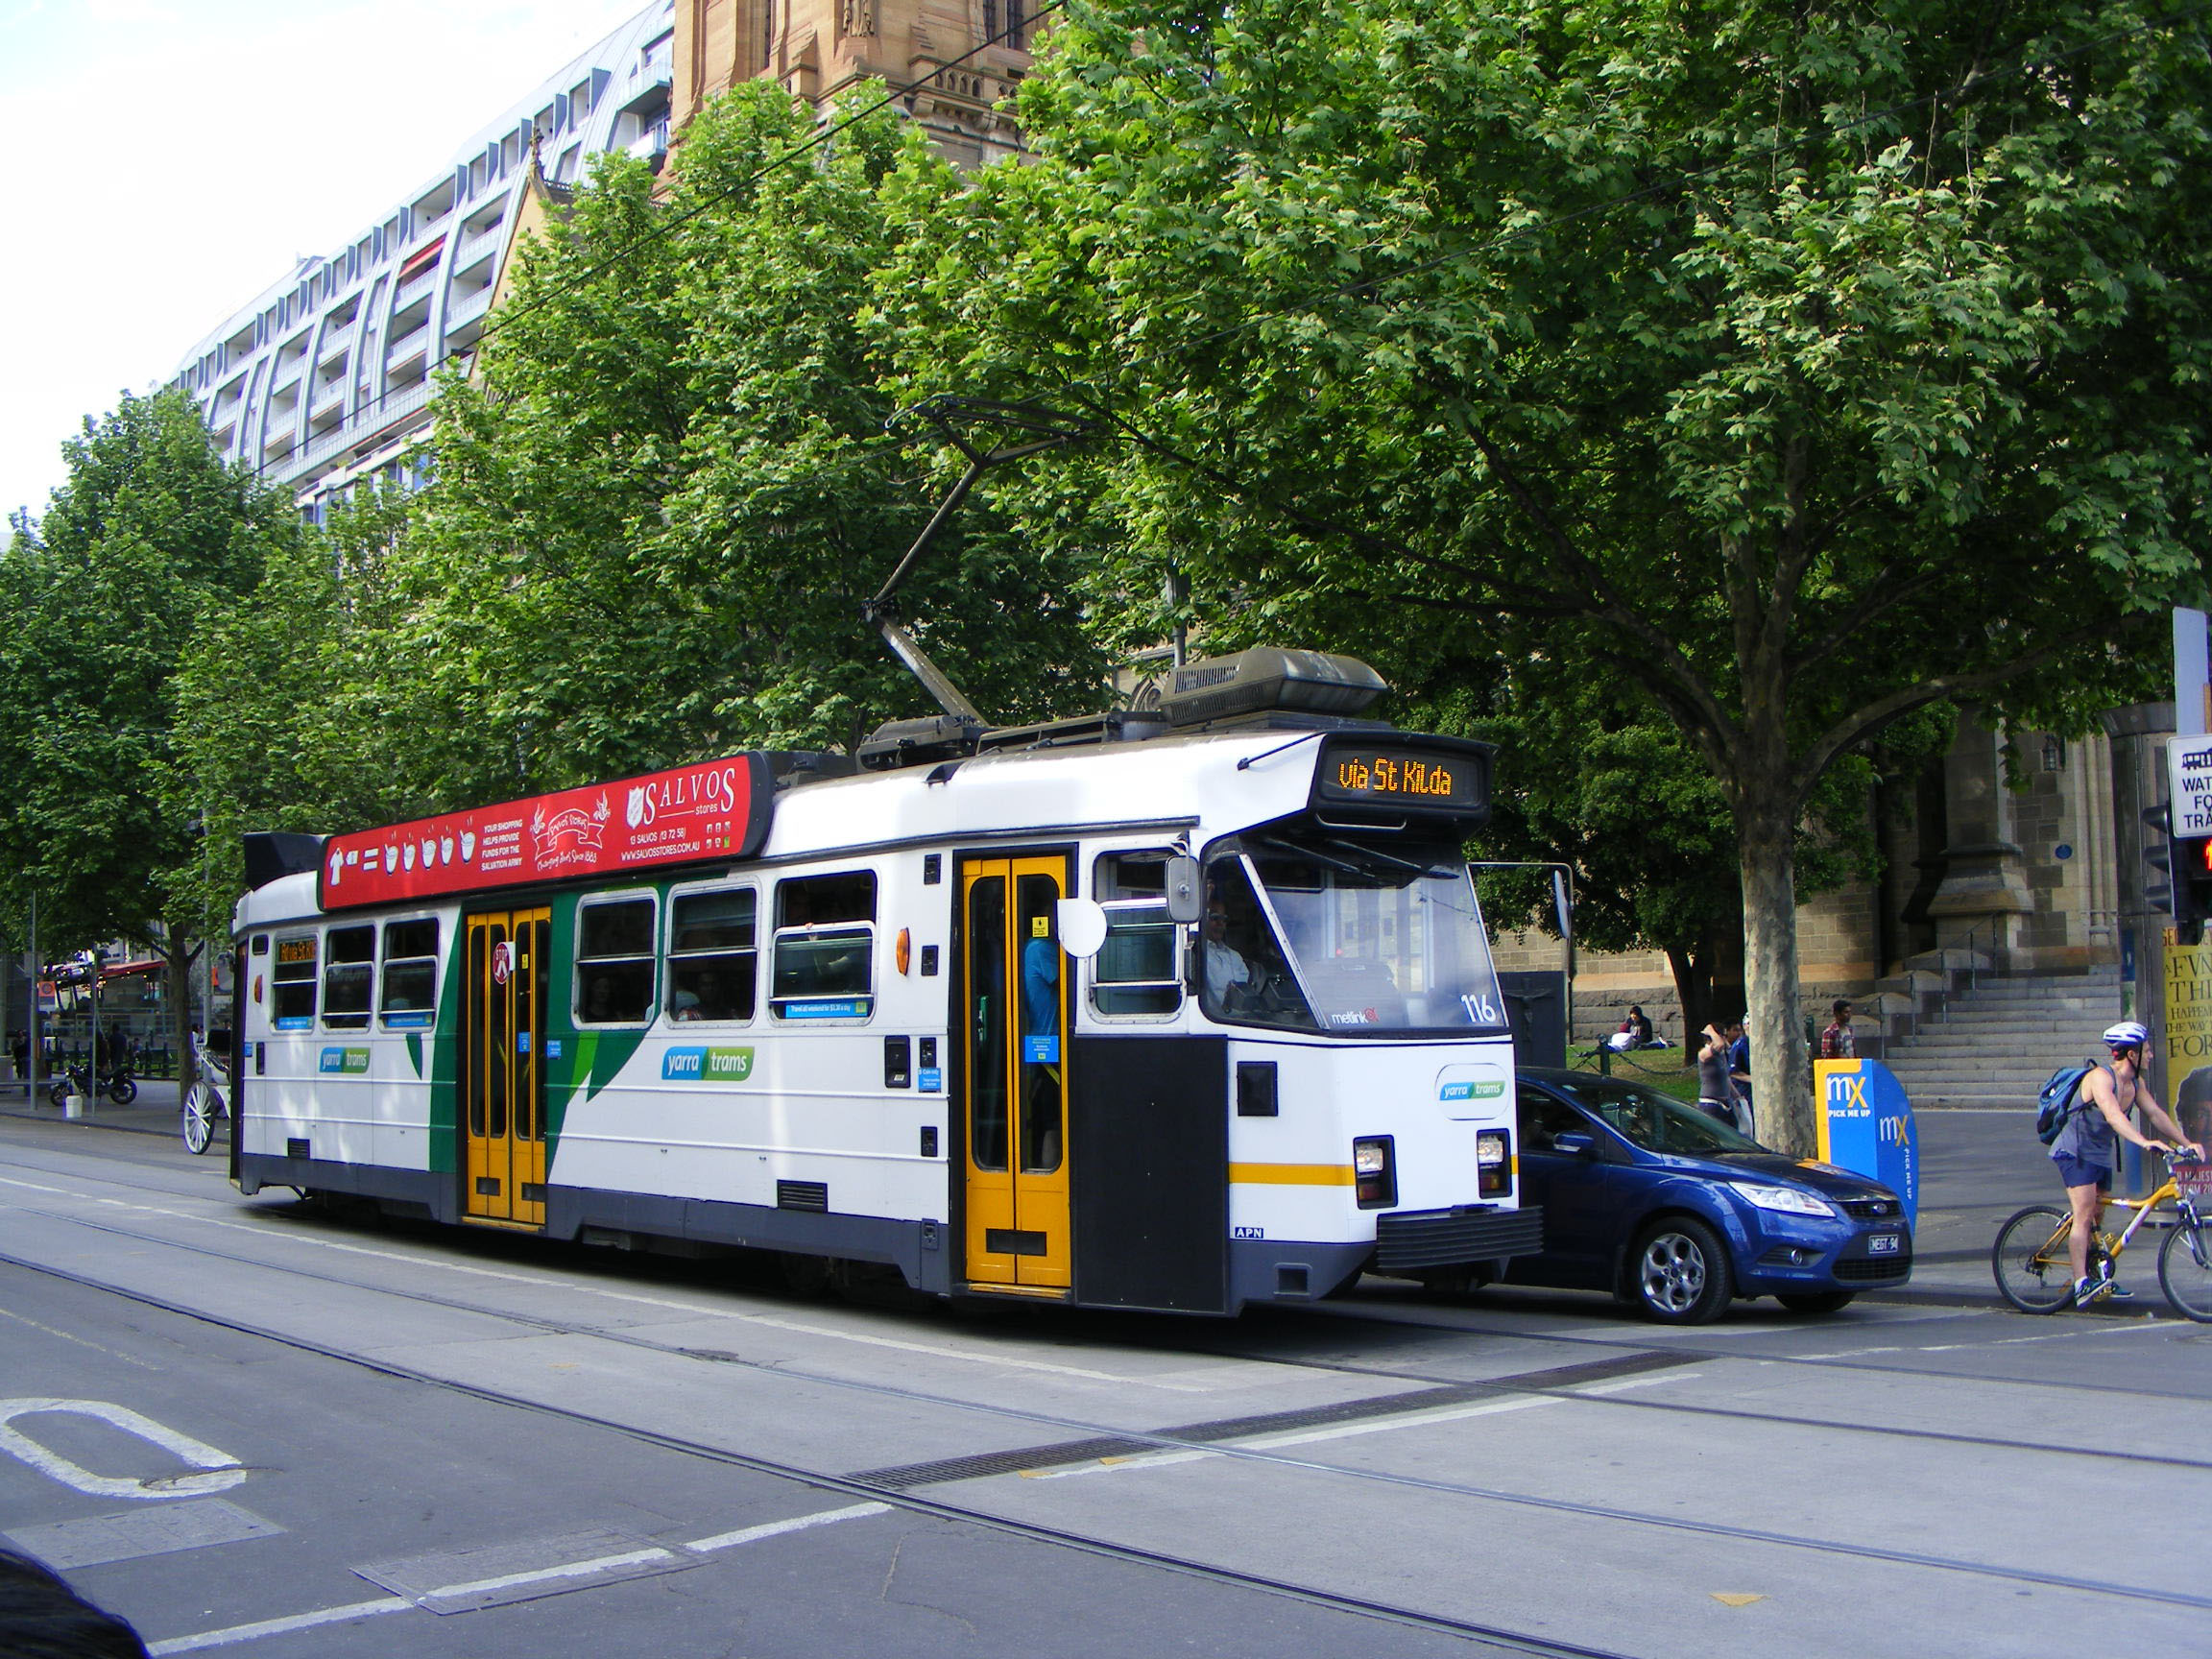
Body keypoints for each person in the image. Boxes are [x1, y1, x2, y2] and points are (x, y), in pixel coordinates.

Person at [2052, 1021, 2204, 1306]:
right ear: (2132, 1054)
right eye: (2147, 1050)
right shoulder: (2100, 1078)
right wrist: (2144, 1142)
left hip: (2099, 1153)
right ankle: (2081, 1283)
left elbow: (2155, 1114)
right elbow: (2113, 1116)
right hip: (2075, 1151)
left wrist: (2187, 1144)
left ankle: (2098, 1276)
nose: (2151, 1055)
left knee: (2097, 1215)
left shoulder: (2135, 1083)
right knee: (2084, 1214)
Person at [1695, 1022, 1742, 1125]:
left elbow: (1725, 1078)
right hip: (1710, 1104)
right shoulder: (1704, 1053)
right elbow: (1719, 1044)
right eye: (1723, 1035)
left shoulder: (1721, 1054)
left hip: (1726, 1103)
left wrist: (1738, 1097)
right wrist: (1710, 1030)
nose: (1725, 1038)